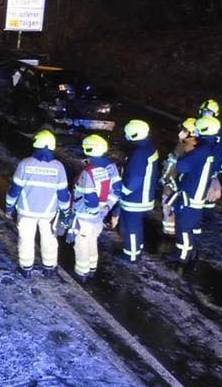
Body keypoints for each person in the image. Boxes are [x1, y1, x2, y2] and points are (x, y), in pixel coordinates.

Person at [4, 129, 71, 278]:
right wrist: (66, 213)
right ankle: (49, 267)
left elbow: (14, 190)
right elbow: (63, 194)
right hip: (49, 214)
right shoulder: (58, 167)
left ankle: (26, 268)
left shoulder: (25, 164)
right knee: (49, 239)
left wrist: (9, 208)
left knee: (26, 240)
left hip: (26, 212)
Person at [170, 115, 222, 270]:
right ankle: (191, 252)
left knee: (183, 226)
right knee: (192, 226)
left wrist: (184, 149)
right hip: (197, 196)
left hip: (191, 195)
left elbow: (182, 166)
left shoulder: (201, 150)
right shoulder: (213, 147)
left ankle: (182, 257)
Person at [68, 134, 122, 282]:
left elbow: (89, 197)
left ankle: (81, 273)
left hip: (86, 215)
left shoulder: (88, 172)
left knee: (81, 243)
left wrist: (92, 212)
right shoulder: (111, 167)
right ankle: (92, 268)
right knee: (92, 240)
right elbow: (117, 191)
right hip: (101, 213)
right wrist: (105, 209)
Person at [118, 119, 160, 262]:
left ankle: (132, 255)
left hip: (135, 198)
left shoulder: (139, 153)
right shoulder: (148, 147)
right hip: (144, 195)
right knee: (135, 226)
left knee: (131, 227)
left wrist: (122, 191)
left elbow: (135, 179)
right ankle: (136, 248)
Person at [160, 117, 197, 235]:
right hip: (171, 185)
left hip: (173, 189)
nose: (182, 131)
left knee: (170, 212)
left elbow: (177, 168)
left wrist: (167, 181)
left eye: (185, 130)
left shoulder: (188, 147)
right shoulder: (184, 144)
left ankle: (169, 238)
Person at [197, 98, 222, 210]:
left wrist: (217, 172)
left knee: (206, 199)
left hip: (210, 167)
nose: (206, 114)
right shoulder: (197, 125)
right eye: (204, 112)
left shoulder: (221, 131)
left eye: (209, 112)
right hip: (198, 166)